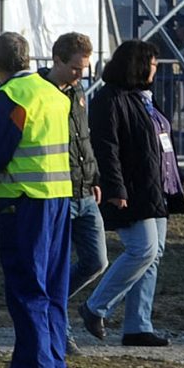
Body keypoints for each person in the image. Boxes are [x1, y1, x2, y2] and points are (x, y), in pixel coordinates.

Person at [0, 32, 74, 368]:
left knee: (26, 285)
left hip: (22, 199)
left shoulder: (12, 97)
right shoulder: (56, 95)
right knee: (53, 287)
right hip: (59, 197)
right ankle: (56, 365)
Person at [84, 40, 184, 348]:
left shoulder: (144, 99)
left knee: (154, 255)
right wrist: (115, 187)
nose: (155, 69)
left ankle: (138, 325)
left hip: (157, 188)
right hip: (131, 190)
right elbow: (107, 147)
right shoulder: (110, 99)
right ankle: (95, 307)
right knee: (143, 250)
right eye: (152, 63)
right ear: (137, 64)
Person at [43, 32, 106, 302]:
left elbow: (83, 136)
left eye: (84, 69)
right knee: (56, 265)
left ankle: (51, 304)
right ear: (57, 60)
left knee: (97, 261)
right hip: (59, 190)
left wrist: (94, 177)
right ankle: (58, 324)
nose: (80, 75)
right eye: (75, 69)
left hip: (84, 189)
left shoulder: (77, 90)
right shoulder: (42, 92)